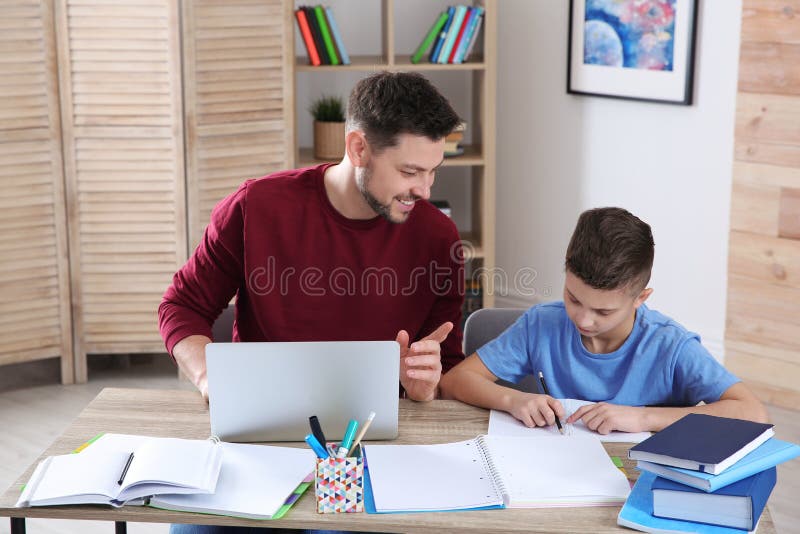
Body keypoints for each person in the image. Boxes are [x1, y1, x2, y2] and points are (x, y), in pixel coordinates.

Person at [162, 71, 464, 534]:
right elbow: (182, 306)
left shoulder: (438, 238)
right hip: (259, 443)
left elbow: (445, 365)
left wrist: (427, 385)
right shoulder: (257, 206)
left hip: (371, 448)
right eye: (410, 172)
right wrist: (208, 377)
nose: (424, 190)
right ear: (358, 148)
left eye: (433, 171)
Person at [440, 207, 769, 434]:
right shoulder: (541, 325)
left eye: (604, 312)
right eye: (573, 298)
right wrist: (513, 399)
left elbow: (753, 414)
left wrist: (643, 418)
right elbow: (454, 382)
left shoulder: (670, 346)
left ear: (640, 298)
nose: (583, 320)